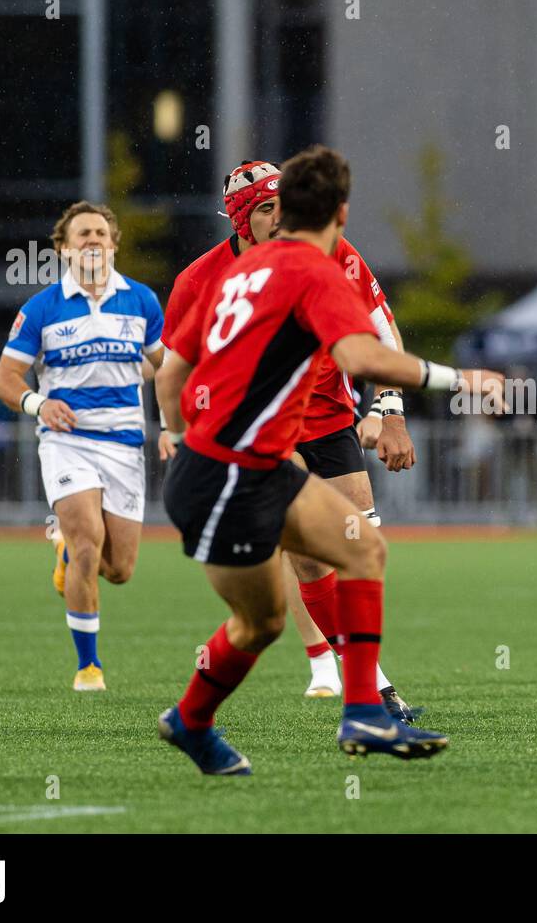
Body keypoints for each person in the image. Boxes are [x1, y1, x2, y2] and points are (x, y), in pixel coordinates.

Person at [154, 145, 503, 771]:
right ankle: (190, 718)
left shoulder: (240, 275)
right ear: (339, 213)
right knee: (259, 621)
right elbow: (365, 357)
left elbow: (171, 370)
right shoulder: (310, 271)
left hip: (244, 467)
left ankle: (365, 710)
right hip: (228, 477)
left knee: (359, 551)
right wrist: (459, 380)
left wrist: (179, 432)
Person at [159, 160, 422, 719]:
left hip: (327, 414)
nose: (280, 219)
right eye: (264, 210)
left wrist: (390, 408)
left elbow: (379, 326)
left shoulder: (331, 251)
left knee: (358, 550)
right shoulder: (198, 281)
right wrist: (179, 433)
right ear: (239, 221)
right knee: (309, 561)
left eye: (285, 205)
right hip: (255, 440)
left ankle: (196, 719)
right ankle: (366, 693)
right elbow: (171, 369)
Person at [0, 202, 165, 691]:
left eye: (100, 234)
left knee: (119, 569)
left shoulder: (142, 301)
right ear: (64, 249)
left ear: (113, 245)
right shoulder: (43, 307)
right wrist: (37, 404)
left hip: (126, 445)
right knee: (89, 539)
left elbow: (164, 366)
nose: (92, 241)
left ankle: (65, 553)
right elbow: (5, 379)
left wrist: (171, 418)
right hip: (68, 442)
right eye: (82, 235)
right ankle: (89, 668)